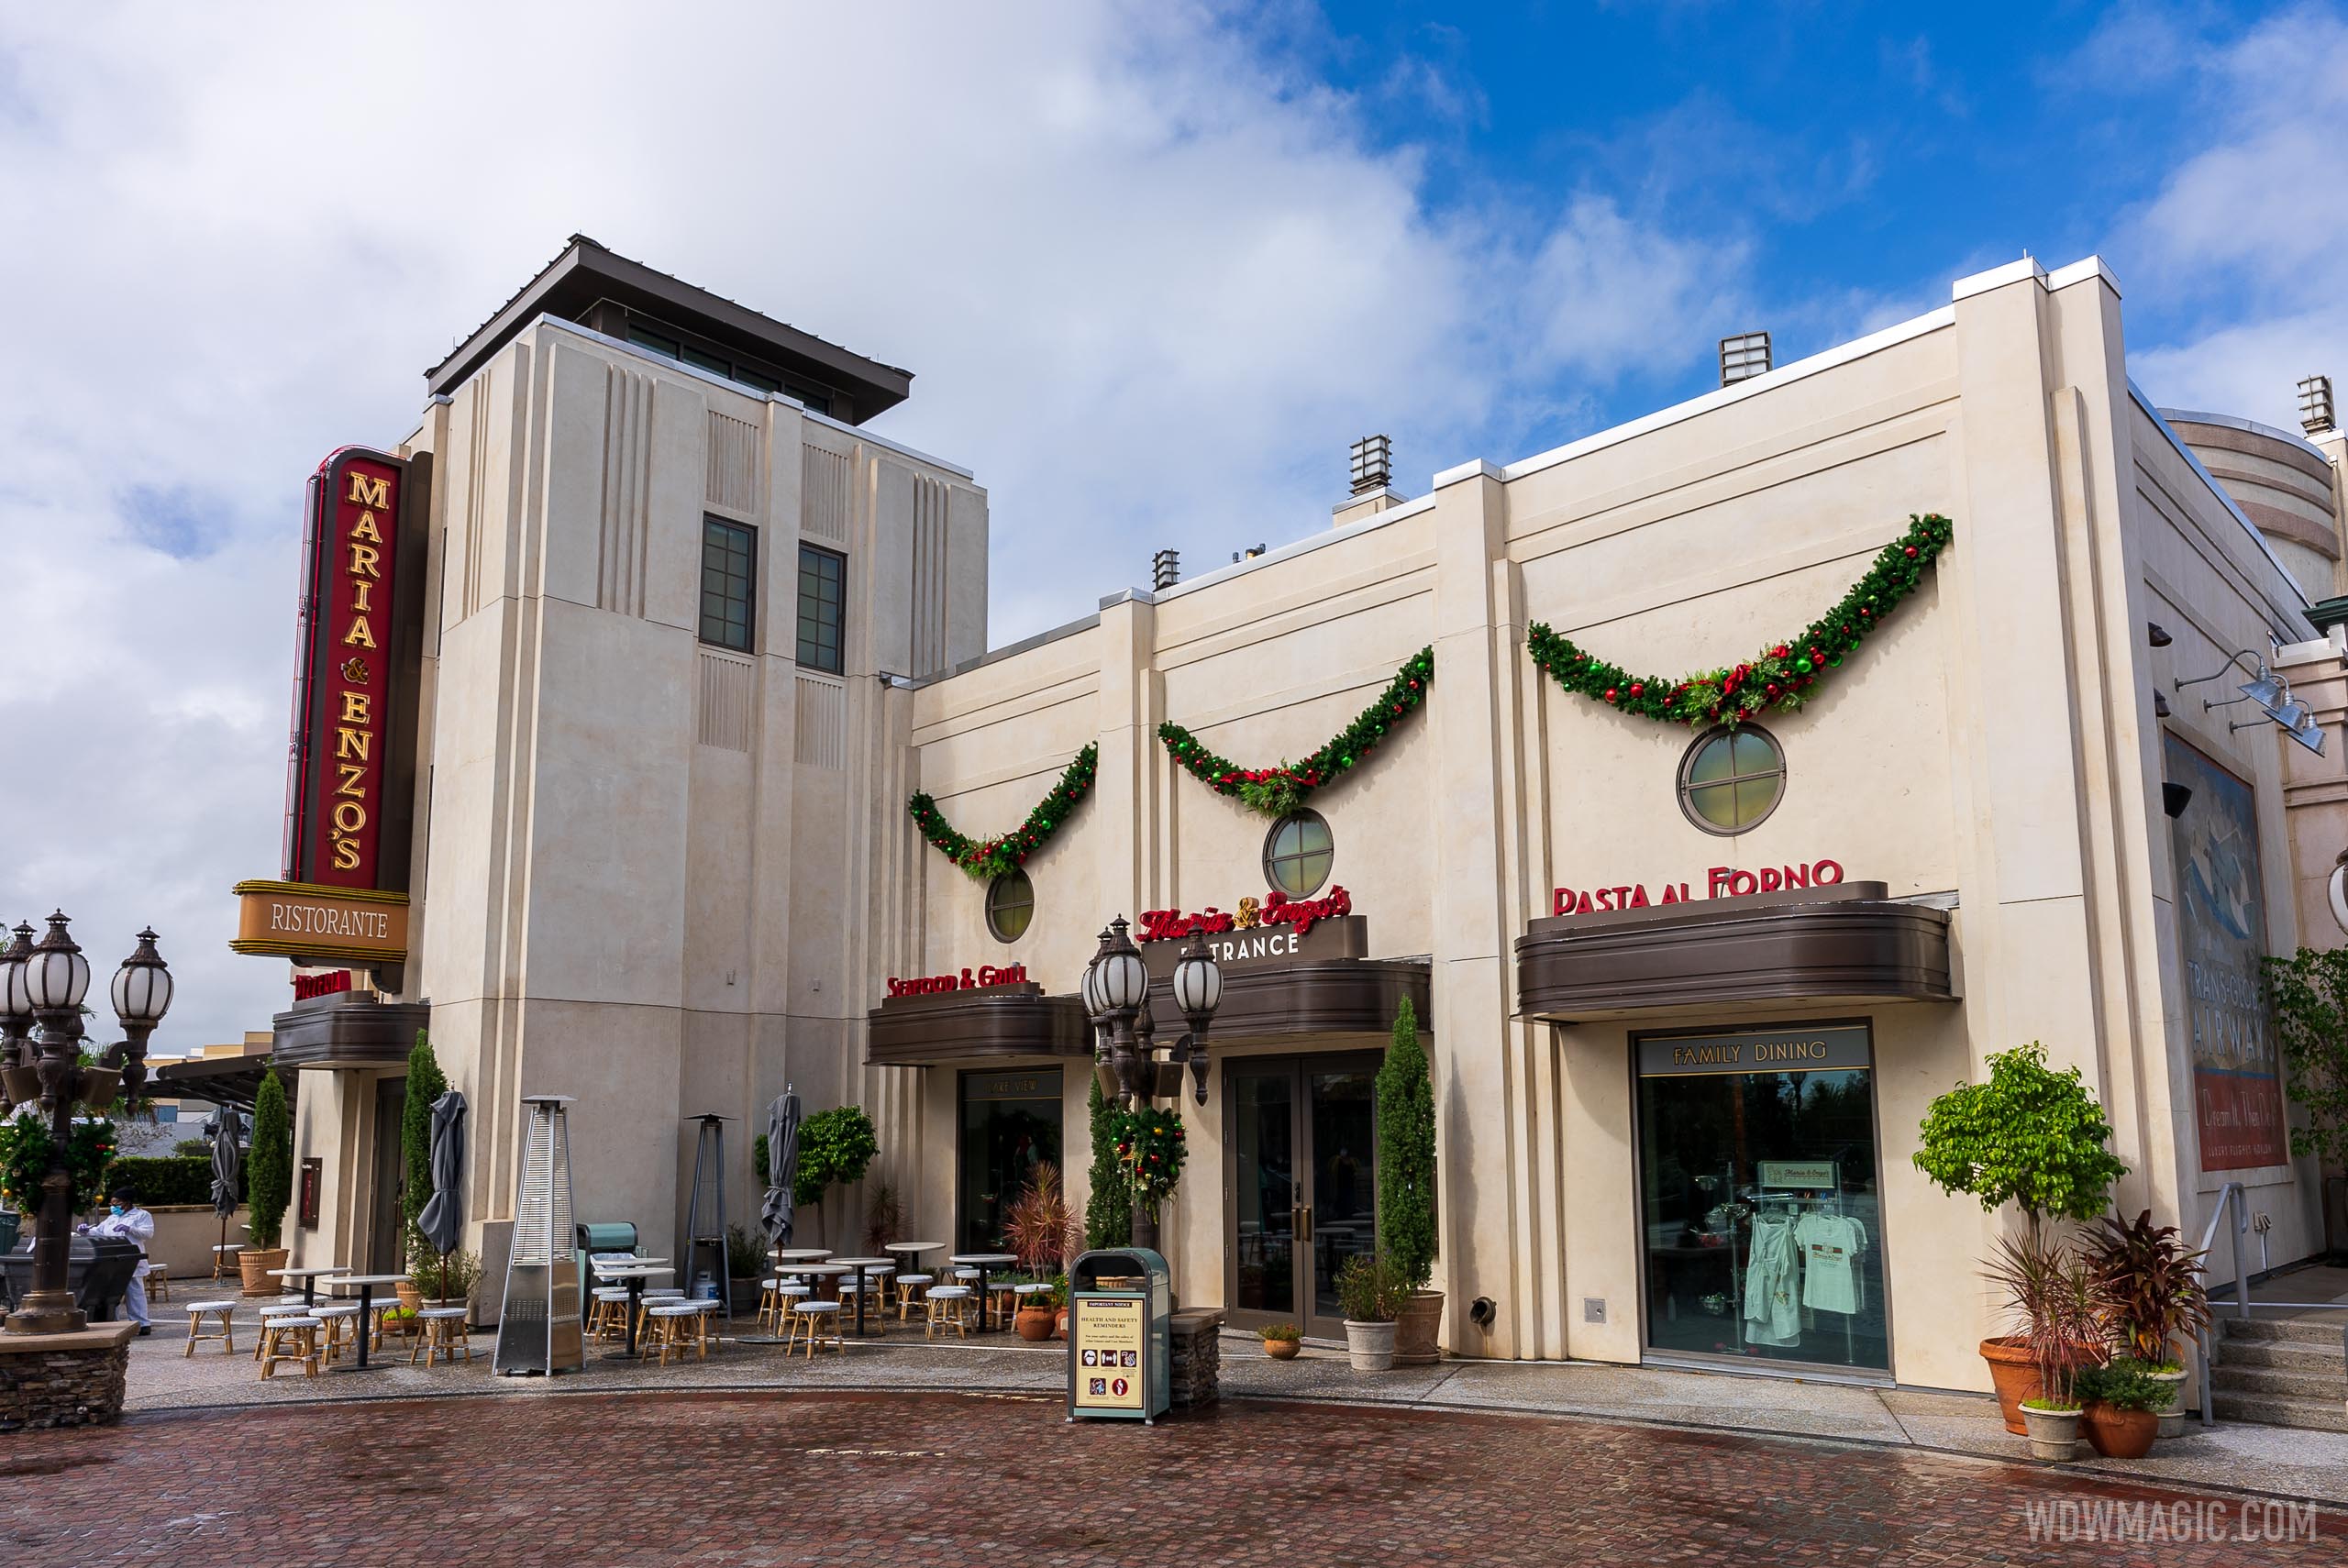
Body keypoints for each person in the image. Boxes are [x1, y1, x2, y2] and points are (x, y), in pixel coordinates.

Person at [82, 1181, 156, 1334]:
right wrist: (87, 1231)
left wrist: (130, 1229)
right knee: (112, 1294)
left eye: (117, 1203)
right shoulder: (112, 1218)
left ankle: (142, 1323)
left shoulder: (142, 1215)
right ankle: (112, 1323)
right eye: (112, 1203)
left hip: (131, 1258)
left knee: (135, 1293)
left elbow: (148, 1233)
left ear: (127, 1203)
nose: (113, 1206)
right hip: (112, 1261)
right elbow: (100, 1232)